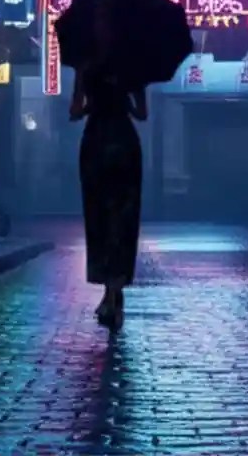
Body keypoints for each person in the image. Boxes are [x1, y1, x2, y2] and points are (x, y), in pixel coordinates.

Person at [70, 64, 147, 328]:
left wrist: (94, 105)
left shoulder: (86, 68)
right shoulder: (133, 70)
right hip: (125, 142)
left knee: (99, 217)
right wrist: (122, 101)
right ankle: (115, 289)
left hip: (96, 141)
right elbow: (142, 114)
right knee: (122, 218)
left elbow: (75, 111)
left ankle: (109, 291)